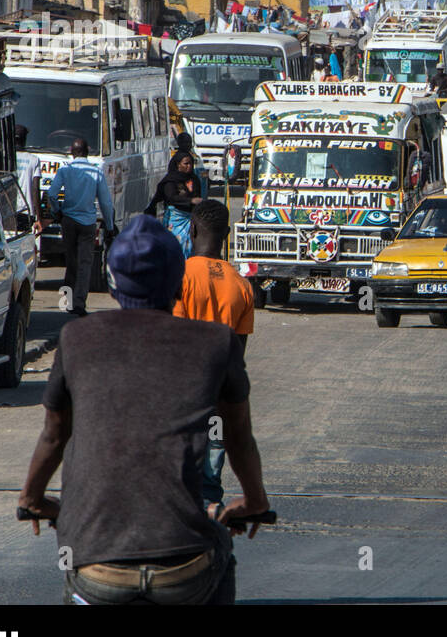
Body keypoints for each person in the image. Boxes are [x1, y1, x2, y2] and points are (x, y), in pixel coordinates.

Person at [17, 216, 270, 605]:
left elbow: (54, 434)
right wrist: (254, 503)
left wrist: (32, 500)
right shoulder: (217, 342)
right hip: (183, 571)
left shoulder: (77, 337)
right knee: (220, 549)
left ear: (115, 282)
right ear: (177, 280)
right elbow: (238, 437)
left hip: (96, 569)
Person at [174, 201, 255, 519]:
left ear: (192, 229)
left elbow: (175, 337)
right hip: (220, 393)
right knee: (214, 455)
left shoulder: (180, 276)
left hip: (184, 391)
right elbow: (239, 353)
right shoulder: (242, 285)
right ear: (228, 234)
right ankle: (211, 506)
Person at [46, 138, 116, 317]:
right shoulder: (95, 172)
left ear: (71, 151)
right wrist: (109, 225)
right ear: (87, 151)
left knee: (70, 262)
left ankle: (65, 302)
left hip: (68, 220)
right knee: (85, 264)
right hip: (87, 223)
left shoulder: (65, 170)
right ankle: (79, 303)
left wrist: (57, 212)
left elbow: (52, 194)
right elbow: (106, 202)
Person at [157, 150, 203, 258]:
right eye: (186, 164)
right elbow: (171, 197)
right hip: (176, 220)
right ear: (178, 164)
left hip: (191, 219)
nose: (189, 166)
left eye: (191, 163)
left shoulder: (194, 179)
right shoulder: (171, 180)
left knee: (190, 248)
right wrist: (190, 201)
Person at [14, 125, 42, 226]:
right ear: (25, 140)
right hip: (26, 211)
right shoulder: (34, 159)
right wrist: (39, 217)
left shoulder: (6, 158)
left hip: (7, 212)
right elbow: (35, 189)